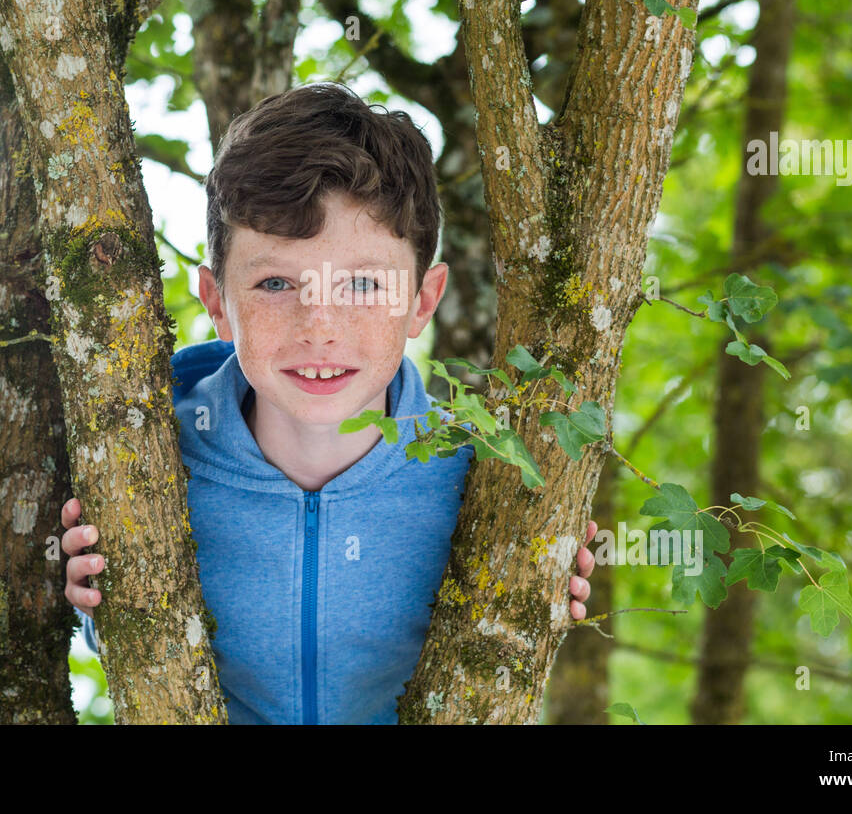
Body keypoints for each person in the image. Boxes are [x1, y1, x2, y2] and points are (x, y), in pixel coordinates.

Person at [61, 81, 597, 723]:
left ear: (422, 302)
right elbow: (143, 650)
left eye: (364, 283)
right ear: (215, 302)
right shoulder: (150, 463)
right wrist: (95, 603)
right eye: (277, 282)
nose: (320, 324)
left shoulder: (484, 478)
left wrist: (539, 589)